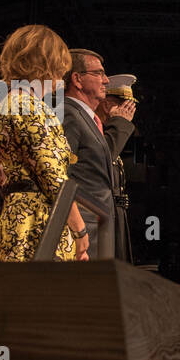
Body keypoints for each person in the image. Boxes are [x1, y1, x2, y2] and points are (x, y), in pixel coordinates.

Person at [0, 25, 90, 262]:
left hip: (22, 220)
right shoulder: (28, 106)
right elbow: (54, 179)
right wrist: (80, 230)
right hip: (37, 226)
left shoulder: (14, 103)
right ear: (47, 62)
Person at [61, 48, 115, 259]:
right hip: (82, 229)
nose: (107, 80)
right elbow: (62, 175)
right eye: (99, 73)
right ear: (77, 79)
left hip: (96, 227)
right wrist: (77, 229)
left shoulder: (89, 119)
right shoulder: (68, 113)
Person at [94, 73, 138, 261]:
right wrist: (119, 124)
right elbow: (101, 158)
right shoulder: (98, 132)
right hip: (101, 216)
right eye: (125, 105)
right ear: (107, 105)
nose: (130, 111)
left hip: (115, 215)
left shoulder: (106, 132)